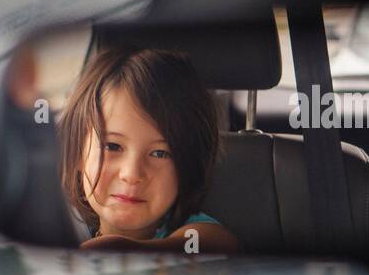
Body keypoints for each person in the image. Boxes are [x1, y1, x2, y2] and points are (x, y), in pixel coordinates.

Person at [57, 46, 238, 255]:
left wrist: (119, 250)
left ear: (187, 166)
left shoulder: (194, 231)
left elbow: (218, 244)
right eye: (112, 146)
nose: (132, 174)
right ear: (77, 153)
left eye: (160, 153)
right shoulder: (63, 225)